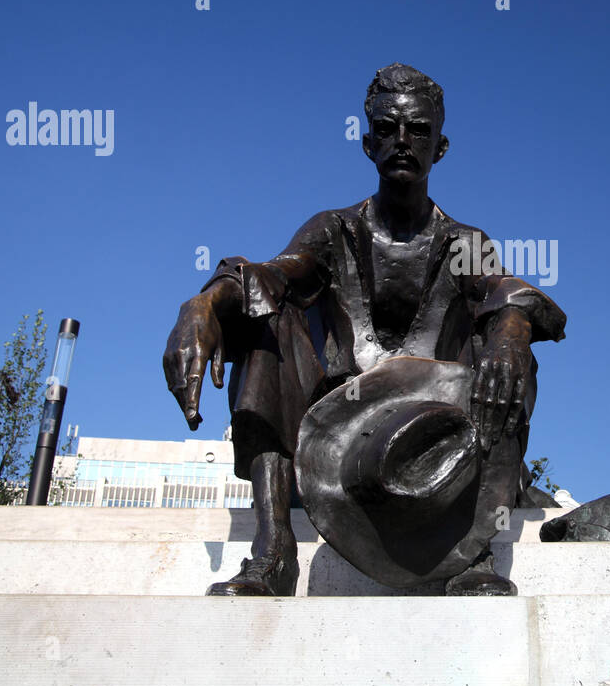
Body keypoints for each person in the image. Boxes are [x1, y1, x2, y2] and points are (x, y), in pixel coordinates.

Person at [162, 64, 566, 596]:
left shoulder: (464, 241)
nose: (402, 142)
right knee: (268, 321)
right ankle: (273, 549)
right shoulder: (335, 229)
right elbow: (274, 278)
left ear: (440, 147)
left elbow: (508, 289)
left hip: (437, 431)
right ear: (366, 142)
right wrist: (205, 302)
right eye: (387, 128)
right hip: (341, 433)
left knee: (504, 334)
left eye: (418, 130)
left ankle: (471, 549)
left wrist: (511, 330)